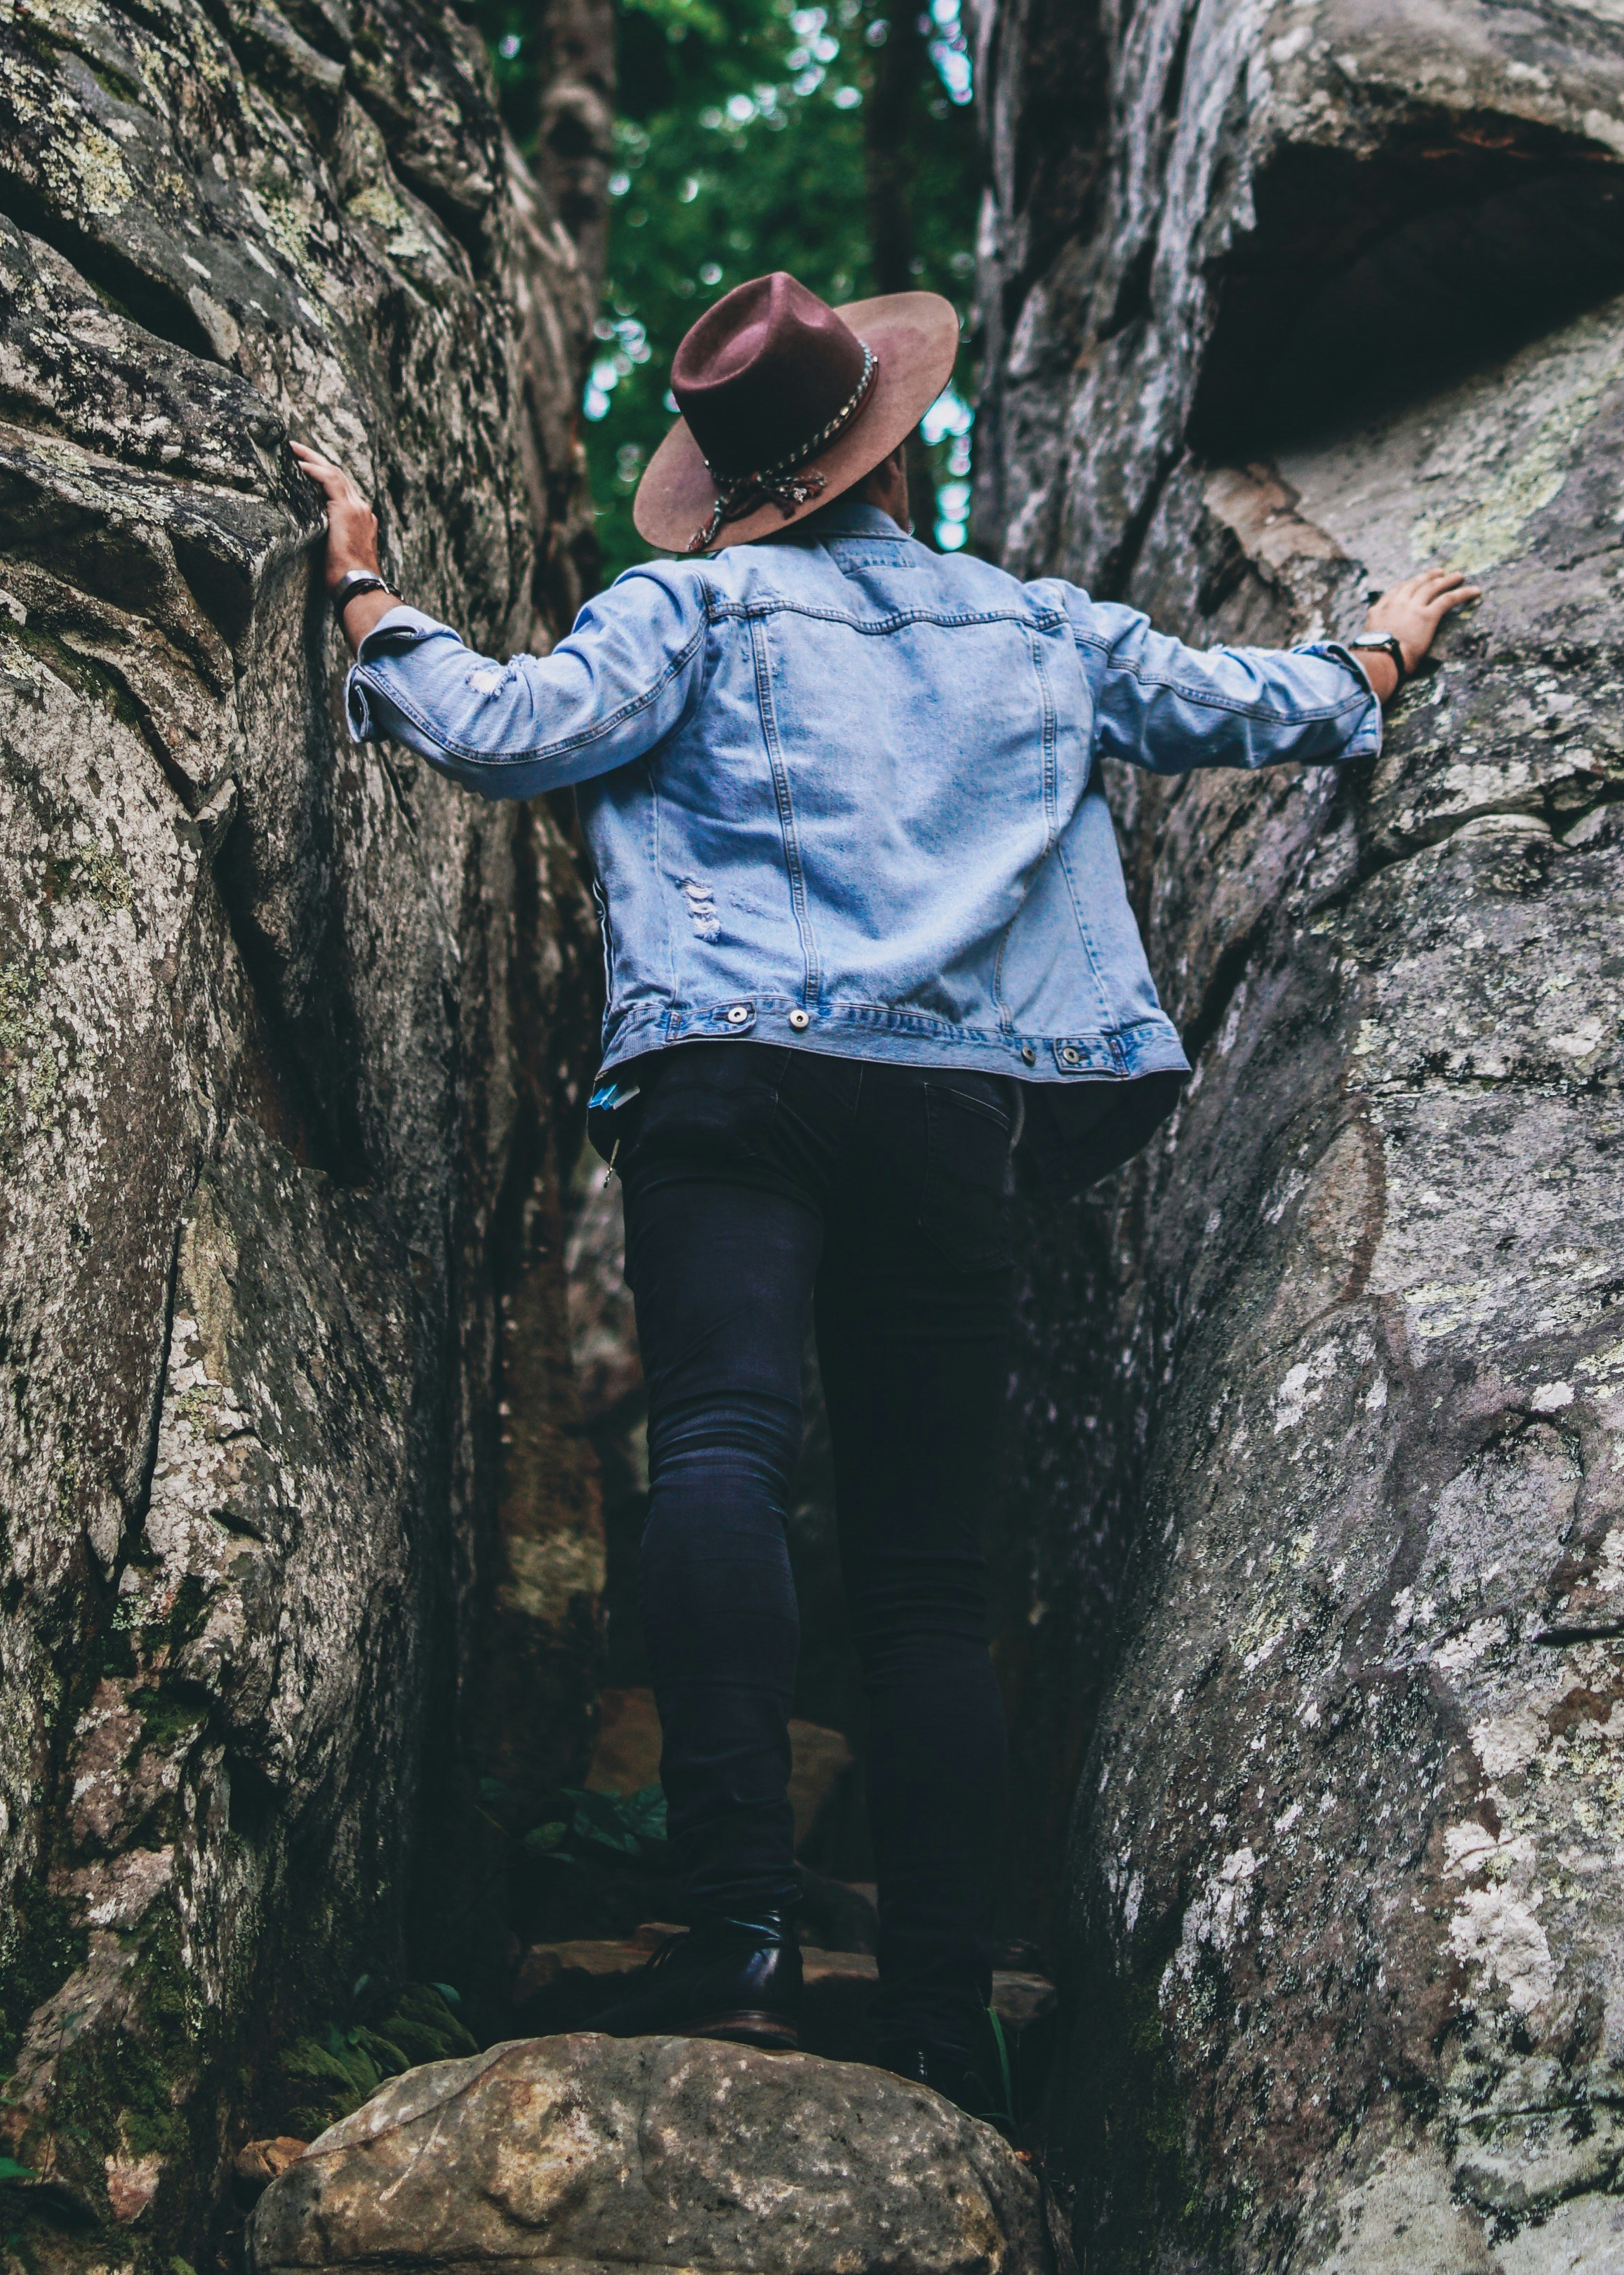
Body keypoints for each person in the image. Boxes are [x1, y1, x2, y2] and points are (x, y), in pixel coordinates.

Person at [292, 271, 1475, 2116]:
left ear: (748, 482)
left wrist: (365, 584)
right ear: (896, 446)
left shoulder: (678, 607)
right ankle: (939, 1993)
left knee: (720, 1458)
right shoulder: (1031, 630)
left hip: (731, 1079)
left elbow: (508, 732)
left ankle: (738, 1923)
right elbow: (1241, 708)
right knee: (931, 1577)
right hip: (951, 1106)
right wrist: (1382, 649)